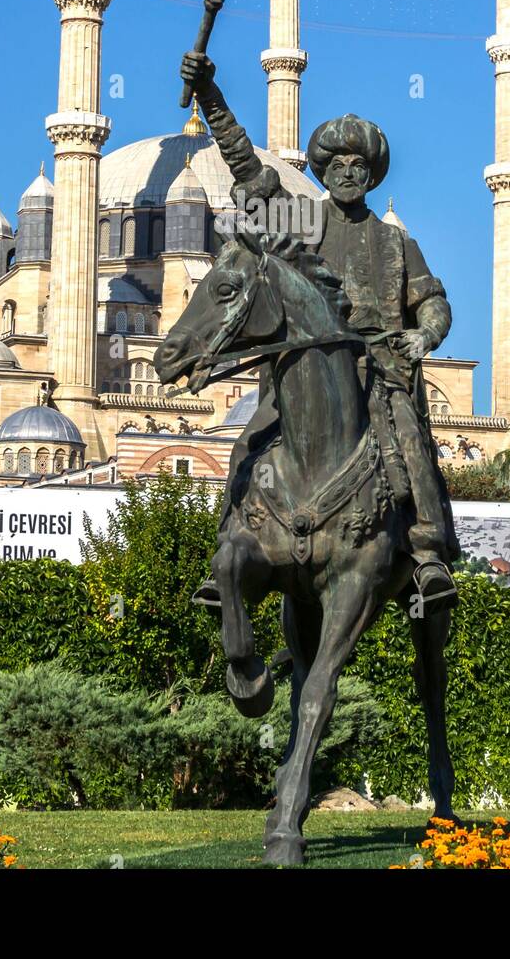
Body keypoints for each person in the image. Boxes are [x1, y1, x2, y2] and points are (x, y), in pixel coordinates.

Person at [180, 47, 460, 611]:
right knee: (248, 442)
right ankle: (228, 555)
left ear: (371, 175)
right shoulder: (301, 222)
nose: (348, 174)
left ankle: (427, 557)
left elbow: (433, 303)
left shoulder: (394, 242)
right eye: (337, 167)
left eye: (358, 167)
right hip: (307, 373)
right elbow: (245, 165)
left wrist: (423, 336)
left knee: (407, 438)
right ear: (325, 173)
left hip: (377, 370)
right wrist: (210, 94)